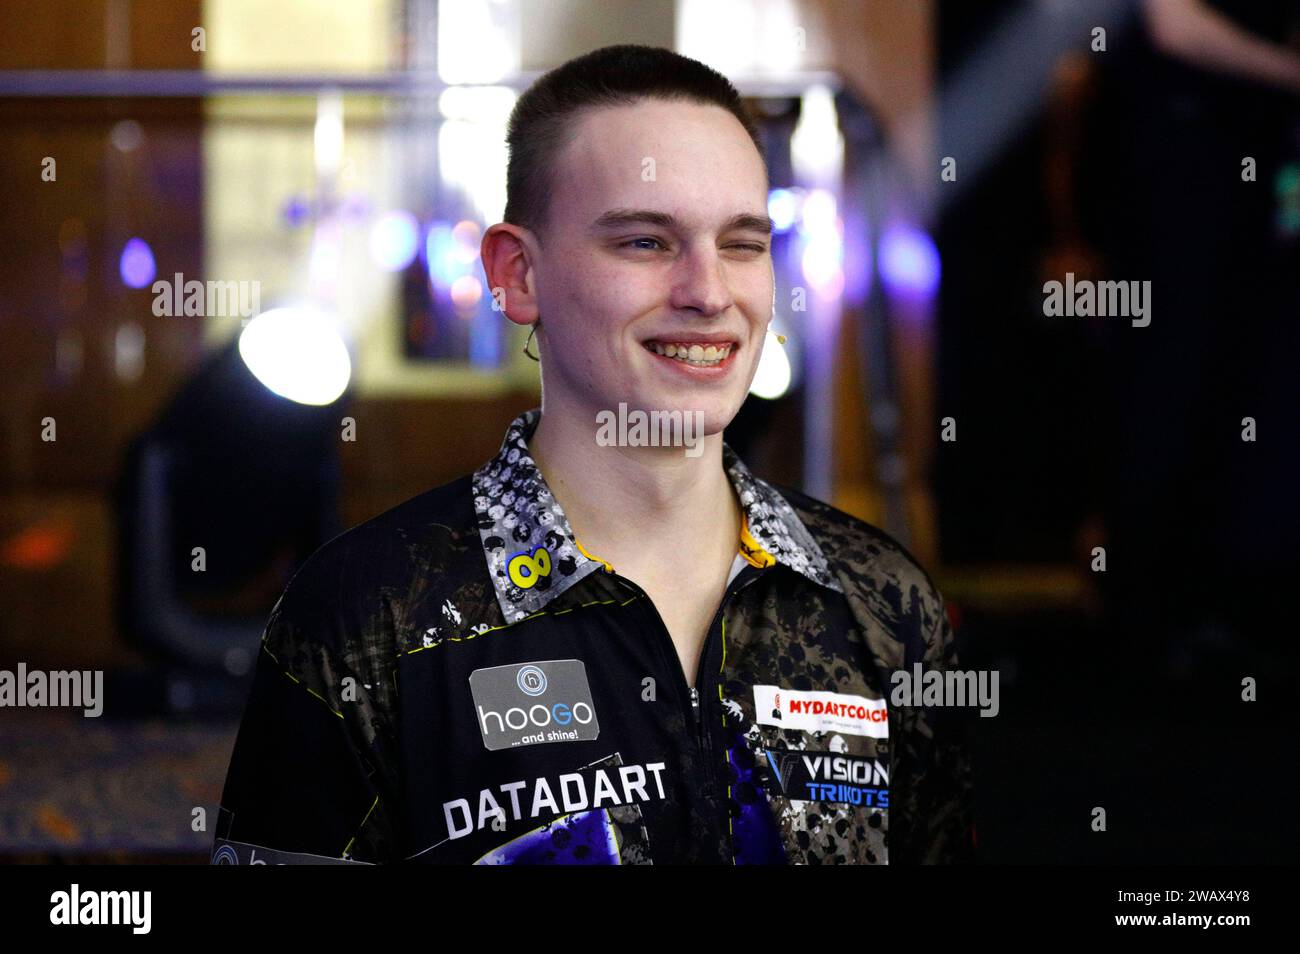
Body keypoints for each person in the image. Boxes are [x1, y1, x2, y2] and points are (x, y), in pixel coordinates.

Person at [213, 44, 974, 865]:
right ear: (517, 275)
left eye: (743, 243)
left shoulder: (884, 603)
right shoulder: (369, 617)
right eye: (646, 242)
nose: (709, 292)